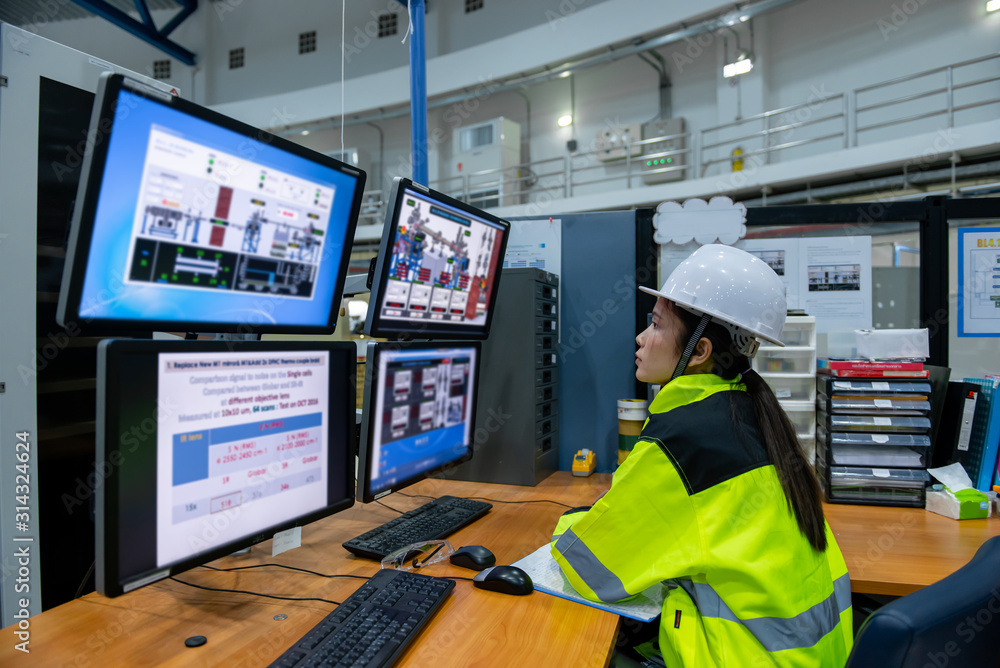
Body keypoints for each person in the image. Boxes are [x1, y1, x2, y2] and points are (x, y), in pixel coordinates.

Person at [551, 244, 853, 667]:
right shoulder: (749, 412)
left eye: (656, 324)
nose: (641, 337)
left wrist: (572, 521)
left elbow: (589, 570)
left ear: (699, 351)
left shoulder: (686, 438)